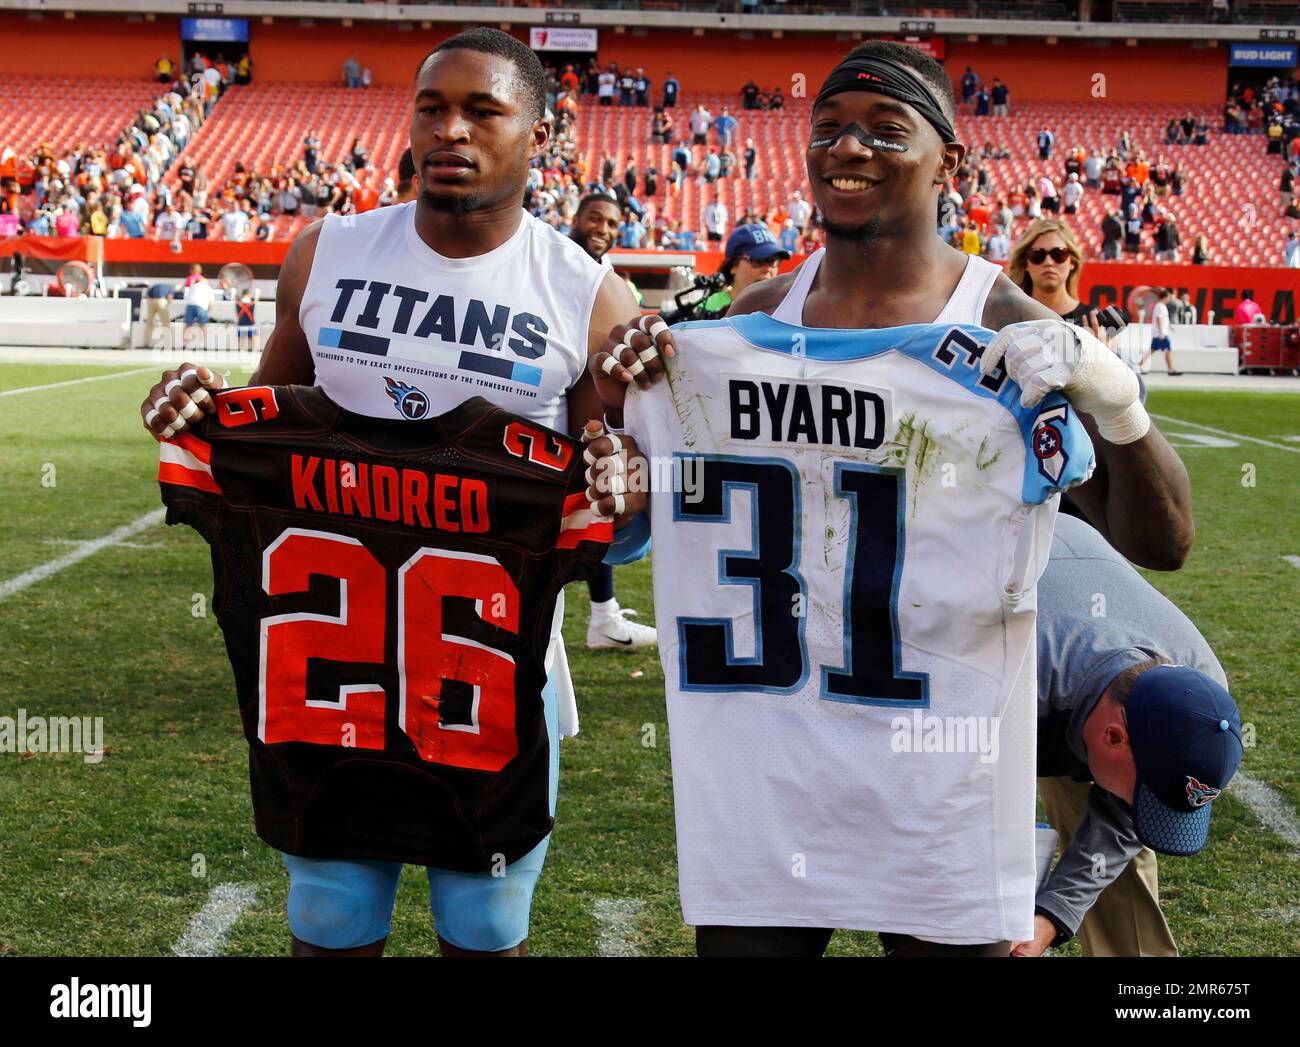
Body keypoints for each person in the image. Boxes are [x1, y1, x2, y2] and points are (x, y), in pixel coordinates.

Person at [587, 39, 1195, 956]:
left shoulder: (1004, 332)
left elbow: (1165, 539)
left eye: (884, 129)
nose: (848, 149)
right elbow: (635, 518)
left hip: (942, 780)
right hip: (767, 768)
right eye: (827, 128)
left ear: (950, 157)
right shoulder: (748, 322)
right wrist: (618, 428)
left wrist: (1117, 403)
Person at [139, 27, 654, 959]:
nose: (450, 129)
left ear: (538, 136)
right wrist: (199, 410)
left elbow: (615, 532)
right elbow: (265, 422)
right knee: (331, 908)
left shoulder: (587, 293)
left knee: (484, 915)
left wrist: (630, 484)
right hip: (331, 656)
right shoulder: (324, 252)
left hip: (490, 659)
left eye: (482, 110)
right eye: (431, 107)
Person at [1014, 514, 1243, 957]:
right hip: (1007, 567)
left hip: (1077, 650)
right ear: (1114, 738)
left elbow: (1122, 823)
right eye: (1147, 793)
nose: (1146, 809)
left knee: (1115, 863)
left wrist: (1051, 916)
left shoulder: (1202, 692)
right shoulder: (1019, 675)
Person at [694, 223, 788, 319]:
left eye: (773, 261)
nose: (767, 269)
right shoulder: (706, 311)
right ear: (733, 265)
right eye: (757, 260)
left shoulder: (786, 311)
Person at [1141, 287, 1179, 375]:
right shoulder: (1160, 306)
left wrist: (1169, 326)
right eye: (1169, 297)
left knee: (1152, 350)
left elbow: (1164, 319)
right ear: (1165, 297)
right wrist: (1161, 332)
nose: (1169, 299)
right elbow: (1159, 319)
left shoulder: (1161, 306)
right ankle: (1170, 369)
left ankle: (1138, 365)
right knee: (1168, 350)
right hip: (1161, 334)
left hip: (1158, 333)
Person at [181, 264, 212, 345]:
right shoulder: (206, 283)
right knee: (202, 324)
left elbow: (185, 293)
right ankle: (203, 343)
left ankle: (184, 343)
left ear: (191, 270)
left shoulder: (190, 280)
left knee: (188, 324)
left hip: (191, 304)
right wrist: (208, 309)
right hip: (201, 306)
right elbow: (210, 300)